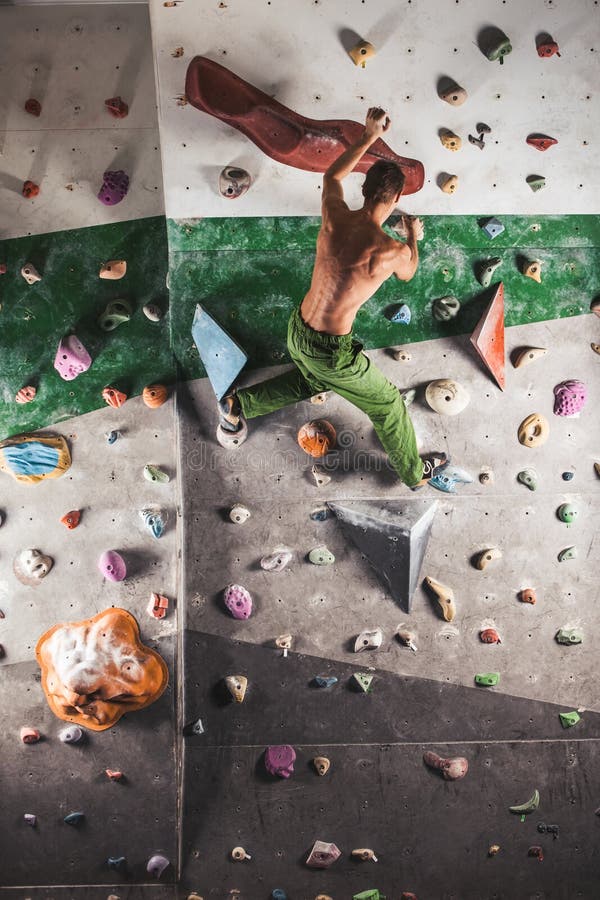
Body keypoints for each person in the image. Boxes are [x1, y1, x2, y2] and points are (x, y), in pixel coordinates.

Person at [218, 106, 447, 489]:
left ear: (365, 189)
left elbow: (333, 174)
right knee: (388, 404)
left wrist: (368, 136)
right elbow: (409, 273)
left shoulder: (334, 213)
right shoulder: (392, 250)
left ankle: (239, 405)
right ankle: (412, 474)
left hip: (297, 330)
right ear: (394, 201)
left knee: (311, 378)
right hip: (331, 351)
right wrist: (413, 235)